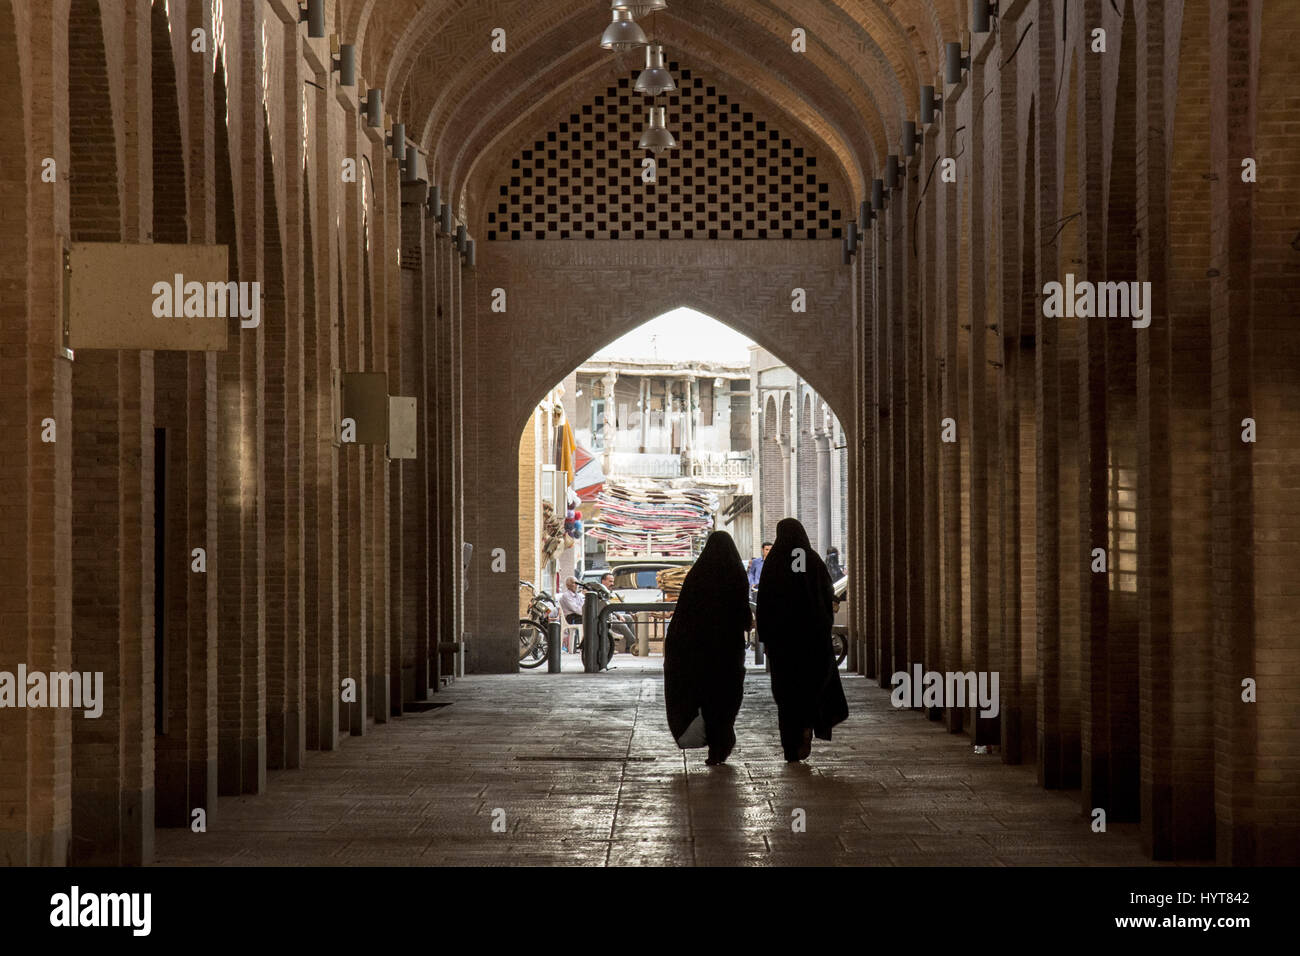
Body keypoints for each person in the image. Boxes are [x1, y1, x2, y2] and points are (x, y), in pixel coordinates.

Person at [756, 518, 848, 762]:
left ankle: (791, 745)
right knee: (808, 688)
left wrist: (765, 637)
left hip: (782, 644)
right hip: (811, 642)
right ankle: (807, 726)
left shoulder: (774, 562)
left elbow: (764, 603)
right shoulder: (812, 560)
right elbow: (826, 595)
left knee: (786, 695)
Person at [663, 530, 752, 766]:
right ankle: (722, 741)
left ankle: (717, 744)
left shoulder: (698, 575)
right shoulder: (736, 574)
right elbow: (744, 614)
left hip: (700, 652)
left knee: (707, 697)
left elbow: (684, 615)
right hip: (729, 651)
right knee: (726, 697)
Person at [600, 572, 639, 654]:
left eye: (613, 582)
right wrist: (617, 616)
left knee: (628, 617)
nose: (612, 584)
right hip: (605, 618)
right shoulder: (600, 592)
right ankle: (635, 644)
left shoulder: (609, 592)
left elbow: (611, 606)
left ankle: (629, 647)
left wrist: (618, 615)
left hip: (612, 615)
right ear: (603, 581)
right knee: (622, 624)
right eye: (610, 581)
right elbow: (605, 607)